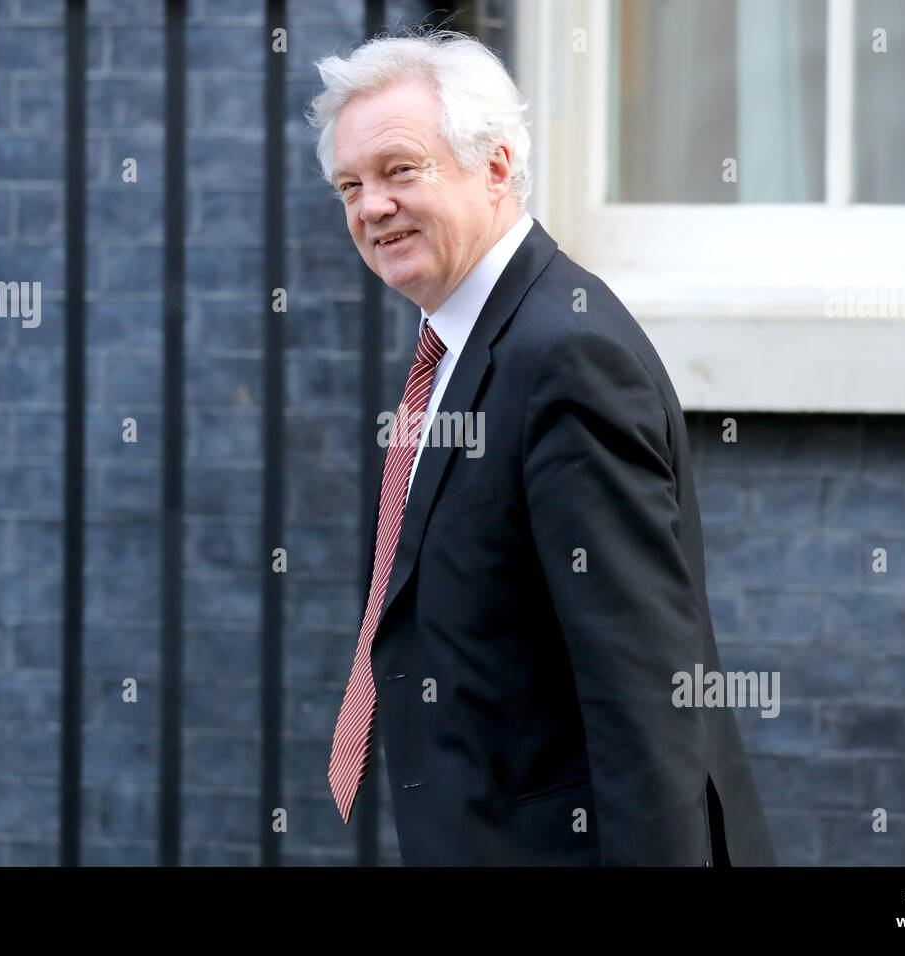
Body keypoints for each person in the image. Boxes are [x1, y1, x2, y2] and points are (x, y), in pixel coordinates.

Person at [305, 27, 776, 866]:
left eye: (399, 170)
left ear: (495, 167)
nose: (370, 206)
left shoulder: (565, 354)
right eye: (351, 184)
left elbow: (644, 691)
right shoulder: (462, 344)